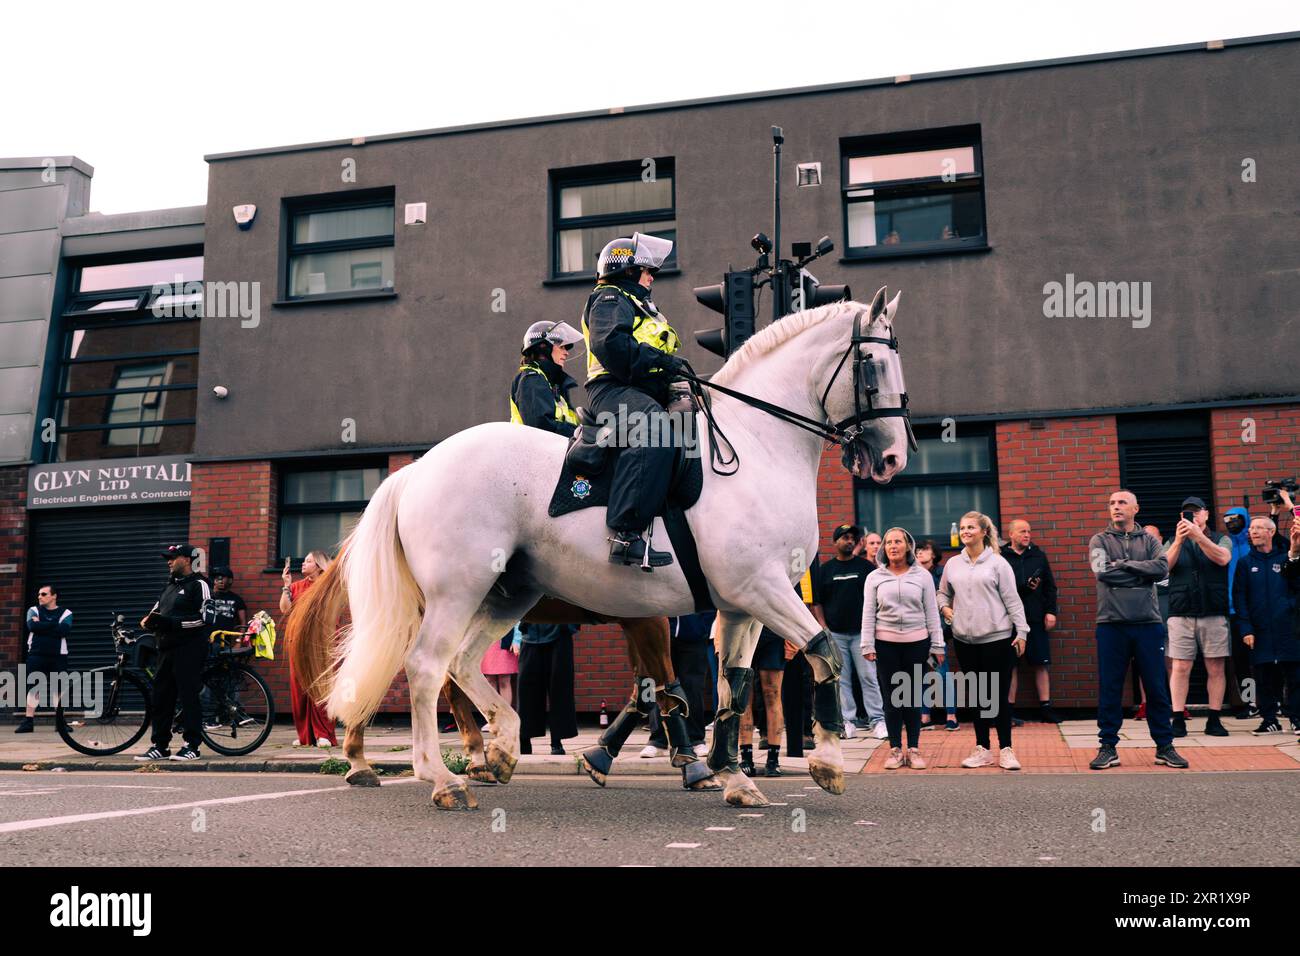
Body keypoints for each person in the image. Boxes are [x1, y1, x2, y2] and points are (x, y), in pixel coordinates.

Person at [582, 233, 685, 568]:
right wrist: (659, 361)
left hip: (639, 389)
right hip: (612, 390)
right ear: (627, 271)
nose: (652, 277)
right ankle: (625, 536)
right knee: (655, 429)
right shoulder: (611, 298)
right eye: (646, 271)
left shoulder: (637, 302)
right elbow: (611, 345)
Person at [1087, 490, 1187, 770]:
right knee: (1110, 687)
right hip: (1111, 625)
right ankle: (1108, 747)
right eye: (1111, 503)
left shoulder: (1150, 540)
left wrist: (1126, 564)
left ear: (1135, 509)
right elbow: (1102, 572)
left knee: (1156, 687)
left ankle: (1164, 746)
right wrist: (1142, 572)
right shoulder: (1099, 539)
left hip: (1147, 624)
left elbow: (1163, 568)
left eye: (1121, 503)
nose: (1116, 507)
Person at [937, 512, 1029, 770]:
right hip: (965, 641)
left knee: (997, 697)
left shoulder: (998, 564)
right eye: (962, 527)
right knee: (977, 696)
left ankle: (1006, 750)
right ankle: (982, 749)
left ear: (983, 532)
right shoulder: (953, 564)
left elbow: (1013, 600)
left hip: (998, 640)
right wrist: (945, 609)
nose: (965, 531)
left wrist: (1022, 632)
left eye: (970, 527)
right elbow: (942, 593)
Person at [862, 528, 945, 769]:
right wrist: (867, 643)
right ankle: (896, 749)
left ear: (908, 546)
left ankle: (914, 749)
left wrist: (937, 644)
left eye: (898, 541)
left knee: (911, 698)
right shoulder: (875, 577)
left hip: (916, 644)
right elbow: (868, 613)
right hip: (885, 645)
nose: (893, 546)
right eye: (888, 542)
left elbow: (931, 612)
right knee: (891, 699)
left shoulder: (922, 577)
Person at [1164, 496, 1233, 738]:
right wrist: (1180, 541)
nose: (1192, 517)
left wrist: (1199, 537)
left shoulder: (1220, 538)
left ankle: (1214, 719)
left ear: (1205, 514)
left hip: (1213, 611)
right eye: (1187, 513)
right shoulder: (1172, 540)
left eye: (1196, 512)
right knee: (1180, 666)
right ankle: (1178, 718)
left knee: (1215, 666)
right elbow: (1164, 566)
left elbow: (1223, 558)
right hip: (1181, 612)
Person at [134, 544, 211, 762]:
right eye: (167, 558)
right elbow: (154, 612)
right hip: (166, 649)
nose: (169, 561)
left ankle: (192, 746)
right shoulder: (169, 587)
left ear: (187, 560)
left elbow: (206, 619)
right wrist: (147, 621)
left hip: (189, 648)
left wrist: (171, 623)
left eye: (173, 557)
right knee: (161, 698)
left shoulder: (200, 584)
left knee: (189, 697)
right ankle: (160, 746)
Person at [811, 524, 887, 740]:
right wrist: (824, 627)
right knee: (841, 680)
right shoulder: (825, 570)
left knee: (868, 677)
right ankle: (847, 721)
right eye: (844, 537)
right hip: (836, 634)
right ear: (835, 542)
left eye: (852, 538)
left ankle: (877, 720)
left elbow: (877, 599)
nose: (849, 541)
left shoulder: (865, 568)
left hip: (862, 634)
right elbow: (817, 602)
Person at [1232, 517, 1300, 734]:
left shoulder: (1286, 558)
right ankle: (1269, 719)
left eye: (1259, 528)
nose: (1253, 531)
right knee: (1263, 677)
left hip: (1288, 628)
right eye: (1251, 529)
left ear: (1271, 532)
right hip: (1259, 630)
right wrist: (1246, 628)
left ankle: (1296, 717)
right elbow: (1240, 598)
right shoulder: (1245, 563)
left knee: (1295, 676)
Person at [1002, 520, 1061, 724]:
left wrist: (1051, 612)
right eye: (1022, 531)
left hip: (1035, 617)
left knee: (1041, 663)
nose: (1027, 535)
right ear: (1011, 534)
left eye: (1029, 531)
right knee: (1011, 665)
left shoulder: (1039, 556)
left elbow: (1050, 588)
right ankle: (1008, 710)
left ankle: (1045, 707)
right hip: (1008, 620)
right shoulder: (1001, 557)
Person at [280, 550, 338, 748]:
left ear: (320, 565)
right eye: (303, 561)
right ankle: (306, 735)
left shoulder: (327, 588)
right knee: (300, 690)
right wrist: (286, 586)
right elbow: (285, 609)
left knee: (320, 688)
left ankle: (323, 733)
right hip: (297, 643)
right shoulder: (296, 586)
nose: (303, 564)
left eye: (308, 561)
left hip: (320, 643)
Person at [644, 611, 715, 759]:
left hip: (694, 636)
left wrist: (703, 628)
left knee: (693, 688)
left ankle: (696, 740)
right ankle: (657, 741)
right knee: (658, 686)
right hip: (661, 635)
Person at [15, 585, 72, 733]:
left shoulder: (66, 612)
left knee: (58, 689)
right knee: (34, 687)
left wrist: (42, 625)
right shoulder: (33, 610)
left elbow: (64, 630)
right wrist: (54, 625)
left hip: (58, 655)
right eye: (39, 594)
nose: (39, 596)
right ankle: (28, 722)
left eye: (44, 594)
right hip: (36, 654)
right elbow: (32, 626)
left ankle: (60, 723)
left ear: (54, 596)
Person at [516, 620, 579, 755]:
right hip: (530, 636)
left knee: (559, 689)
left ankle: (556, 741)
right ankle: (524, 738)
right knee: (526, 691)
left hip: (559, 635)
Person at [510, 320, 582, 436]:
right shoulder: (531, 379)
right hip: (534, 452)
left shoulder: (552, 383)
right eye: (562, 347)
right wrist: (578, 433)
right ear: (544, 347)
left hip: (556, 450)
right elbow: (541, 427)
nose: (566, 353)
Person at [735, 623, 788, 776]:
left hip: (773, 631)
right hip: (743, 631)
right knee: (743, 697)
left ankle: (773, 759)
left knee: (772, 694)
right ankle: (746, 758)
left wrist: (793, 640)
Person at [915, 540, 957, 730]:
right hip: (916, 632)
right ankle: (925, 716)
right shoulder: (912, 574)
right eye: (917, 550)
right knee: (920, 675)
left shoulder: (941, 574)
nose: (919, 553)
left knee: (942, 673)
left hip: (938, 631)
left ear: (934, 554)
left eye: (924, 550)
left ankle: (951, 715)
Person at [479, 626, 518, 729]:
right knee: (489, 679)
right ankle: (493, 719)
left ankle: (506, 718)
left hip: (505, 636)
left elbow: (517, 618)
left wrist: (516, 640)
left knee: (504, 679)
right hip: (487, 638)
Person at [207, 567, 247, 632]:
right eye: (217, 578)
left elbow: (243, 622)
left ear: (230, 580)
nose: (220, 580)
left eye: (222, 577)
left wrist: (239, 640)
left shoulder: (236, 599)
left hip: (227, 638)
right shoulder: (207, 596)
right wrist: (214, 592)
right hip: (208, 637)